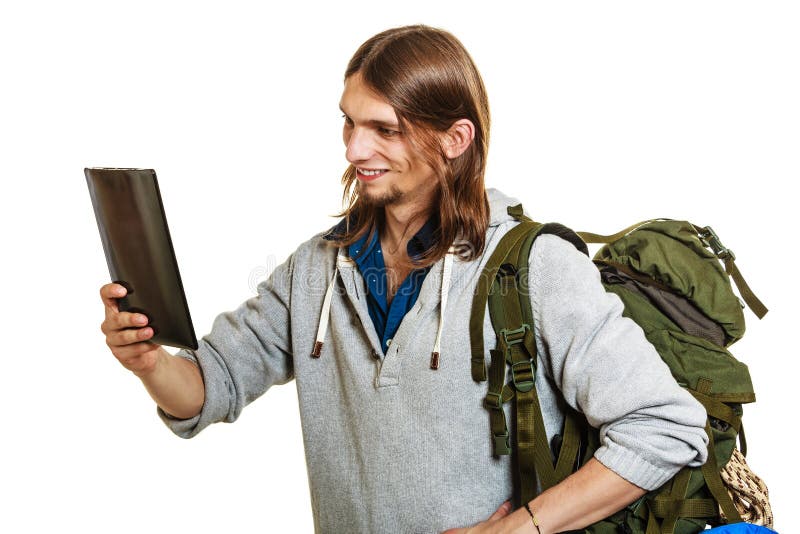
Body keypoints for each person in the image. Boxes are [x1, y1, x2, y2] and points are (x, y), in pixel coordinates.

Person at [98, 25, 709, 534]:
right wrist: (150, 362)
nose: (353, 149)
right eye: (349, 123)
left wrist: (519, 528)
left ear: (455, 139)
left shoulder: (536, 266)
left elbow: (664, 426)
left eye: (384, 130)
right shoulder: (315, 269)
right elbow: (210, 387)